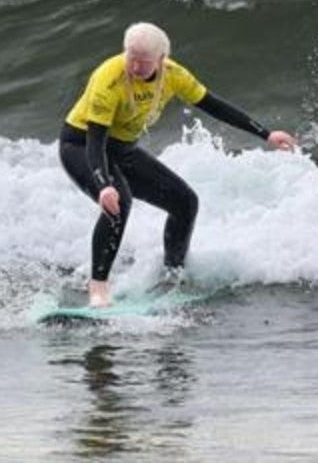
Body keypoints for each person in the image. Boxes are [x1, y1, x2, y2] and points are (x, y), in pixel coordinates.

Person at [59, 22, 297, 308]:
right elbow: (96, 142)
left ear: (161, 59)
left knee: (184, 202)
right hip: (81, 145)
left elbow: (214, 105)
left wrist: (266, 133)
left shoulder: (174, 75)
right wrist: (103, 186)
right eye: (130, 58)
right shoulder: (108, 78)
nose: (134, 67)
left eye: (143, 62)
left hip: (122, 149)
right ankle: (98, 289)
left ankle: (173, 276)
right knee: (117, 201)